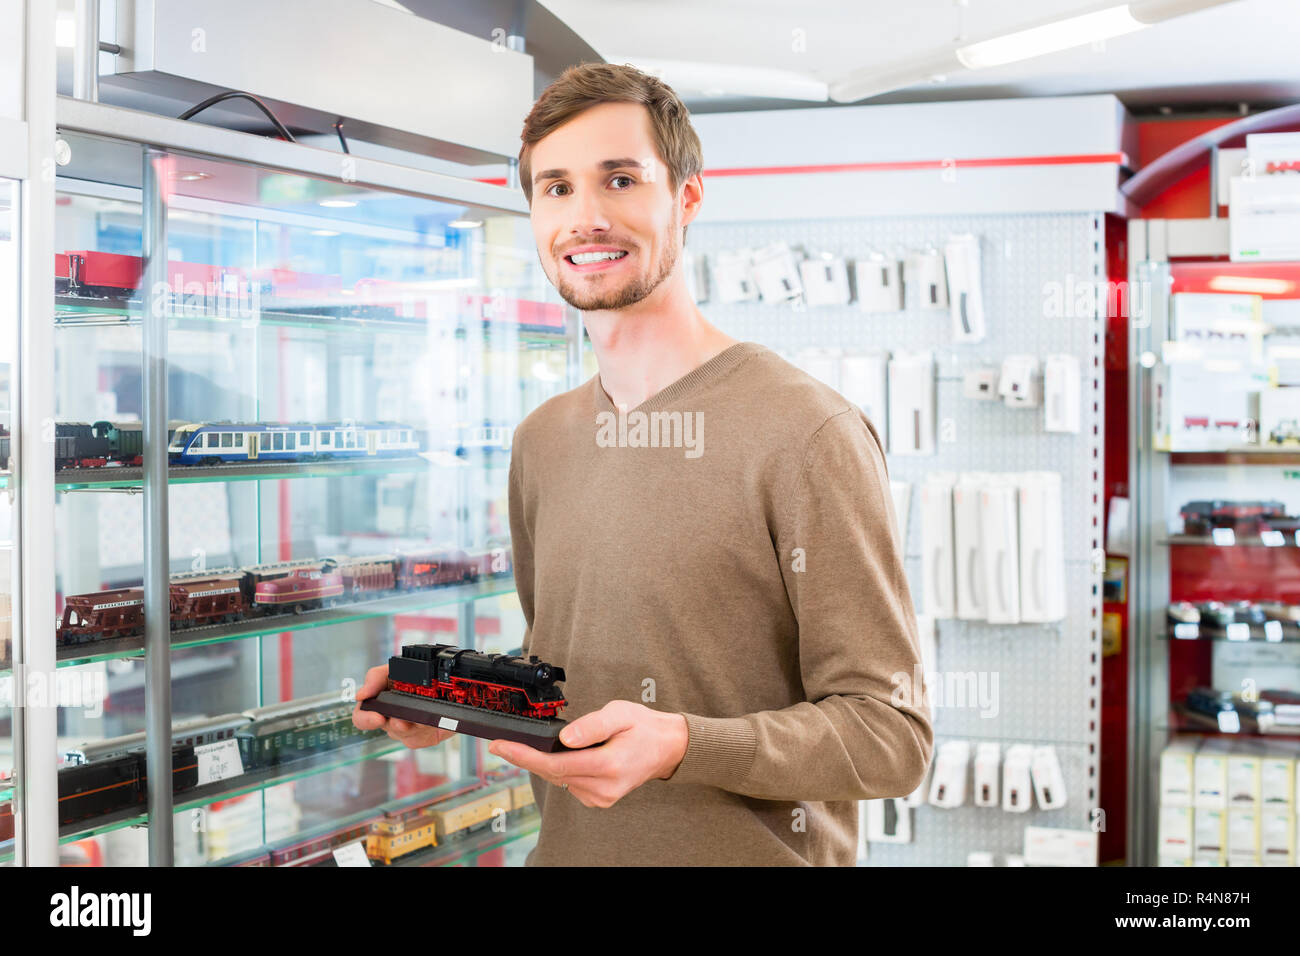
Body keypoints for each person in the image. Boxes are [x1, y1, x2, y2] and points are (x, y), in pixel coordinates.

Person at [353, 61, 932, 865]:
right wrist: (452, 704)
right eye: (555, 189)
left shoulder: (808, 433)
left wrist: (682, 745)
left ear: (687, 197)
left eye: (619, 180)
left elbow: (891, 737)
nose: (585, 217)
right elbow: (565, 670)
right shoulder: (543, 439)